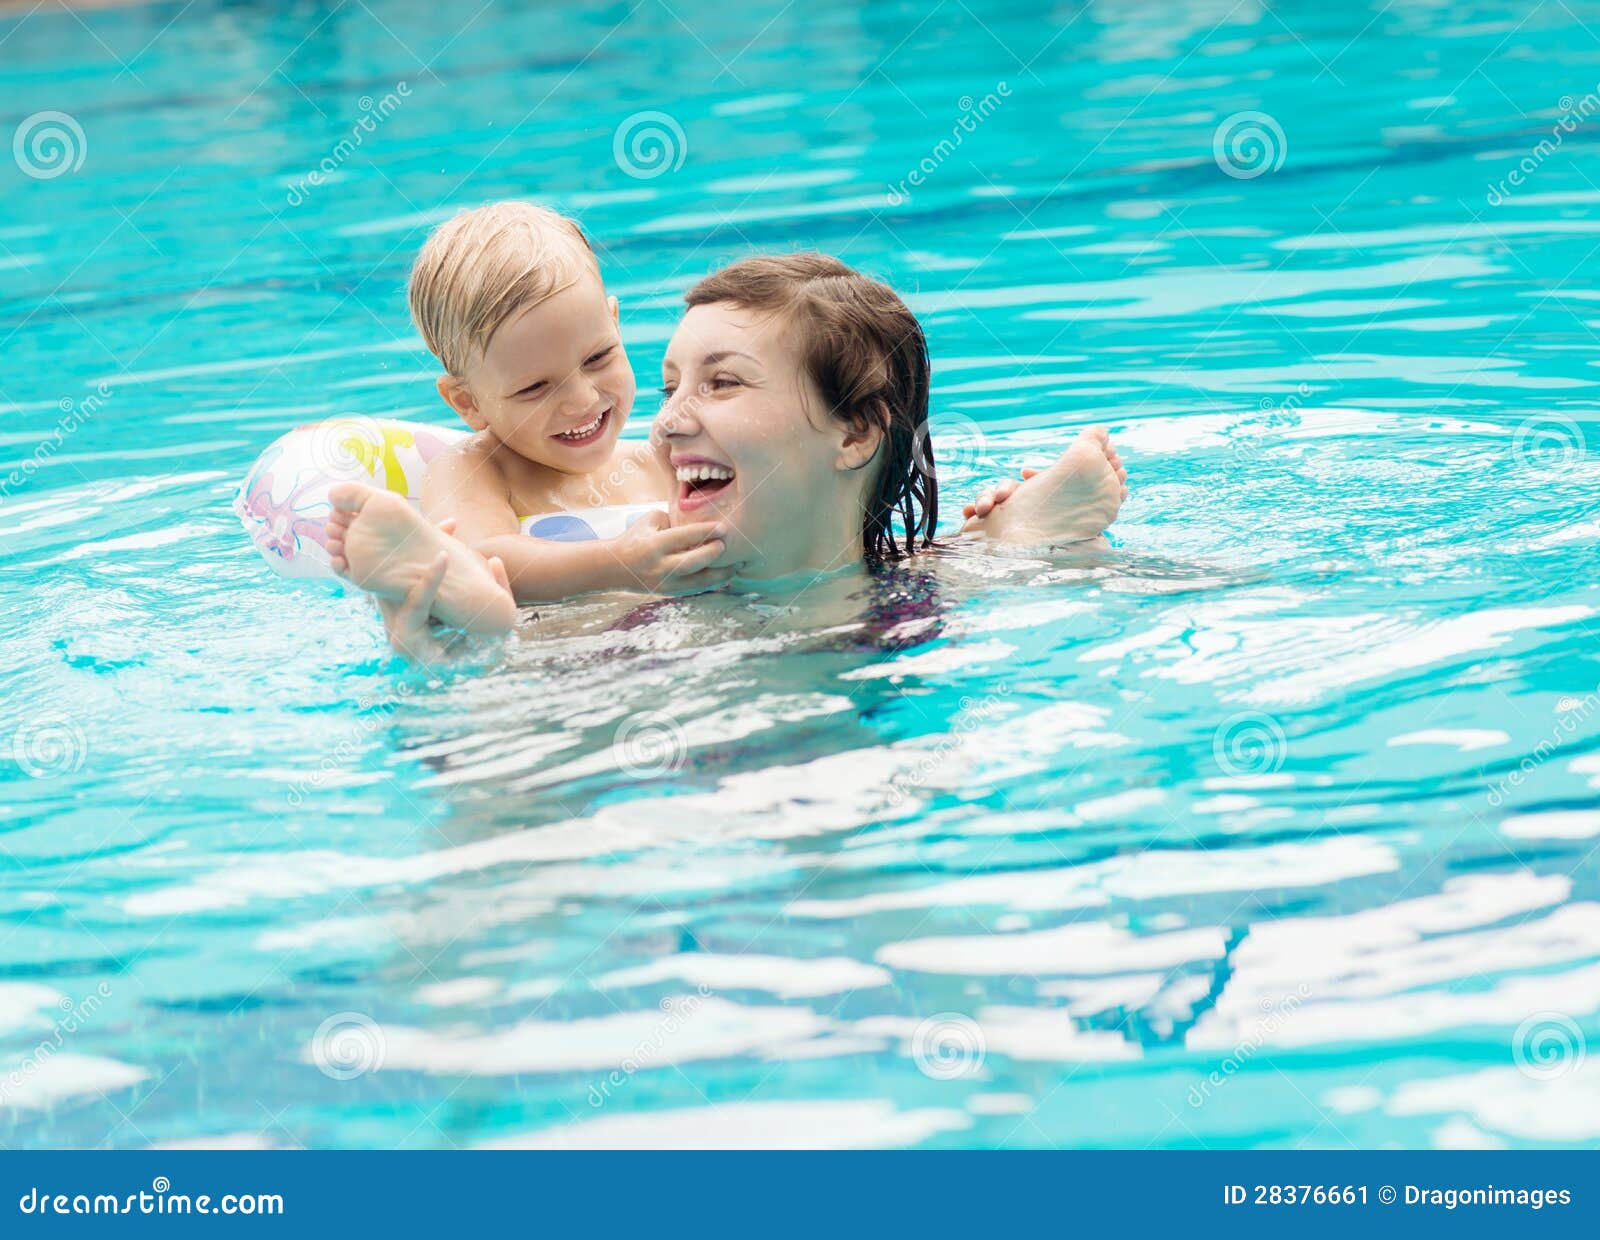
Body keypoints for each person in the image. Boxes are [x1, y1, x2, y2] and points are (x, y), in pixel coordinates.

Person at [326, 250, 1128, 655]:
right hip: (679, 675)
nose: (664, 425)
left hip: (854, 624)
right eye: (671, 385)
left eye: (721, 385)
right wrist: (458, 669)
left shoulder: (915, 586)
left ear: (855, 433)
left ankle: (1007, 540)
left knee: (914, 568)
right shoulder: (634, 612)